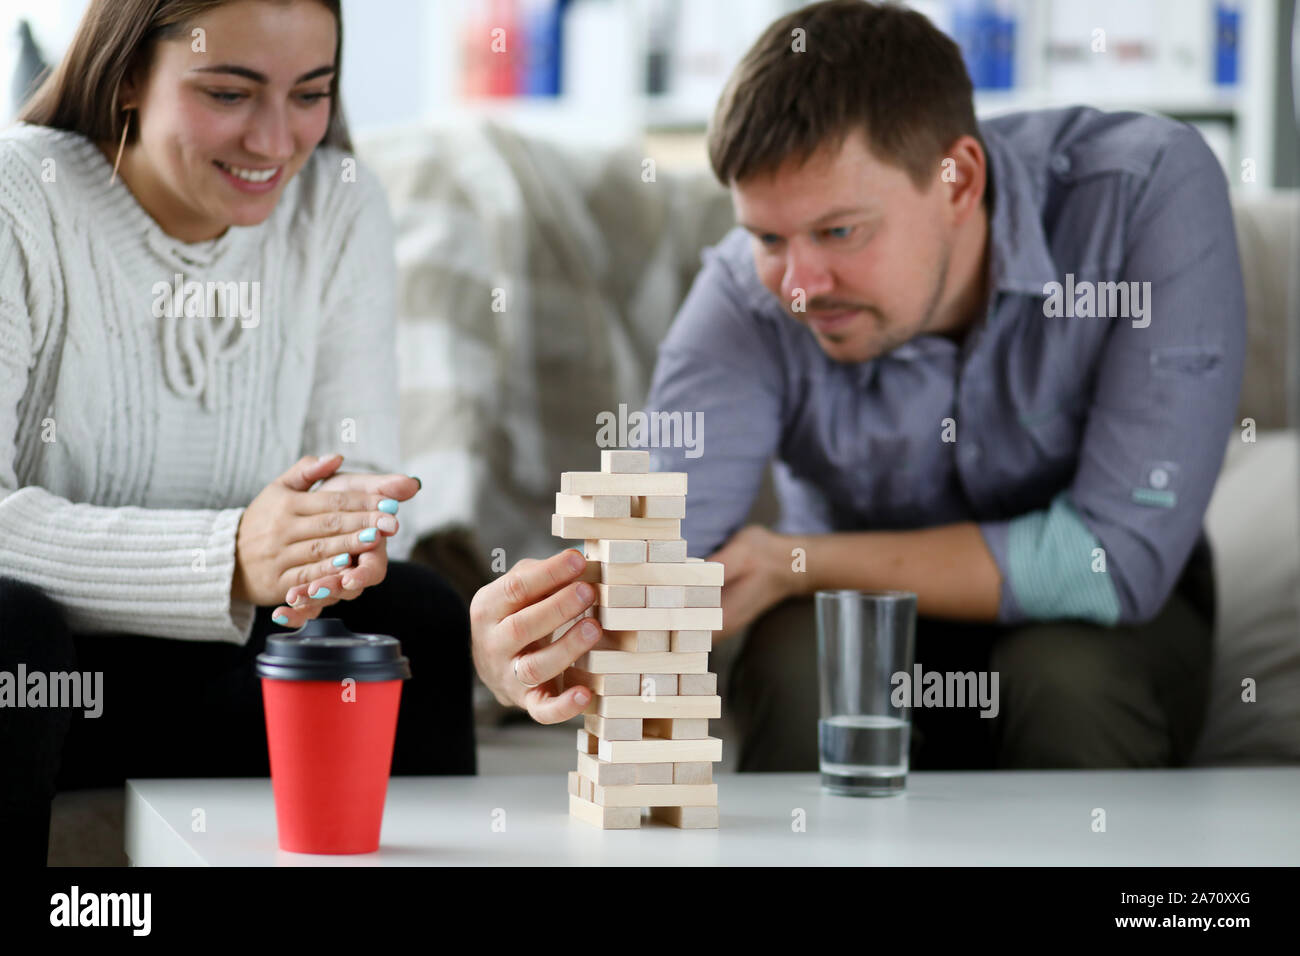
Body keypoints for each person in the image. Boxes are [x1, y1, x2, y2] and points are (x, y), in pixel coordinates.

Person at [468, 0, 1244, 774]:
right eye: (769, 238)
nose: (799, 287)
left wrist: (796, 560)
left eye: (840, 232)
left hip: (1104, 626)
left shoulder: (1144, 190)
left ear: (959, 181)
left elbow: (1113, 560)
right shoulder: (748, 292)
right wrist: (542, 633)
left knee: (1067, 680)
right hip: (855, 618)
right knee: (800, 662)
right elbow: (657, 541)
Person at [1, 0, 474, 867]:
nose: (274, 142)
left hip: (218, 664)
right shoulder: (19, 196)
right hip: (45, 674)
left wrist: (335, 539)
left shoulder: (336, 205)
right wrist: (225, 557)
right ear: (129, 74)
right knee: (9, 629)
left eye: (310, 94)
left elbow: (356, 470)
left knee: (418, 618)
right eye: (229, 92)